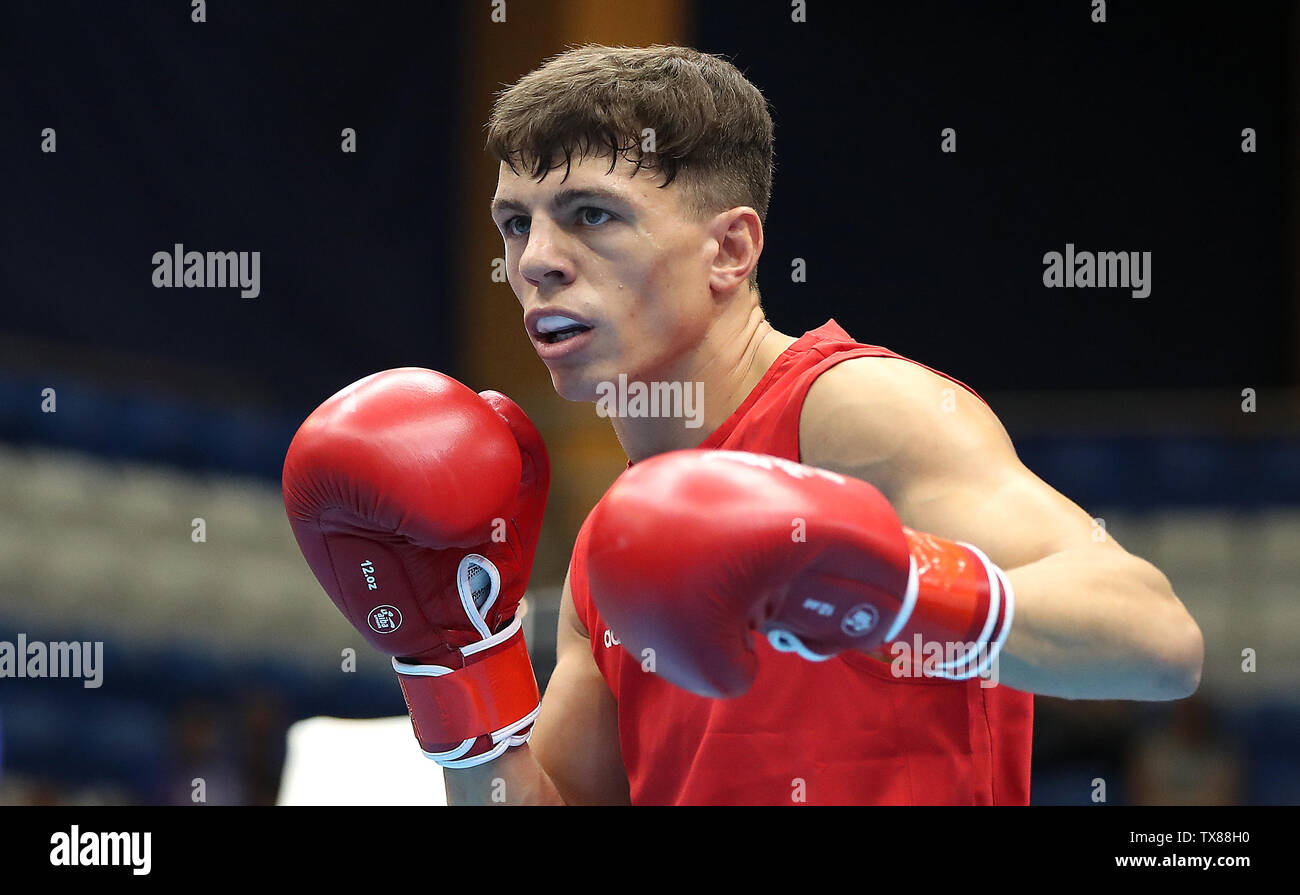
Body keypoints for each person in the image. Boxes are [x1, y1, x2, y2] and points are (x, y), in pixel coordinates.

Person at [283, 45, 1203, 805]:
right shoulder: (616, 541)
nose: (538, 263)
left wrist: (893, 590)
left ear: (730, 248)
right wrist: (454, 671)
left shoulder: (849, 412)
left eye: (591, 215)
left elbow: (1159, 640)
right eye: (514, 224)